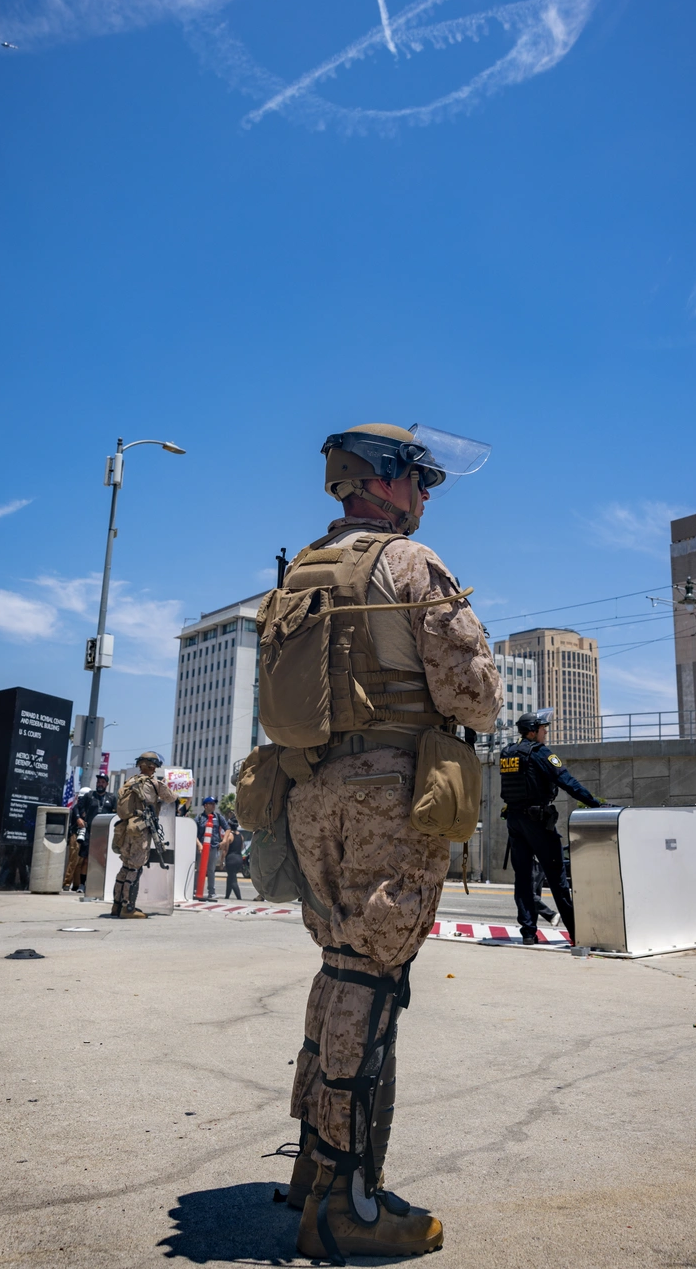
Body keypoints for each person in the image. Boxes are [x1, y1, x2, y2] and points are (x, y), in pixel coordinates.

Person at [270, 422, 502, 1261]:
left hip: (311, 793)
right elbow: (472, 689)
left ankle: (313, 1164)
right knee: (373, 981)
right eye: (423, 479)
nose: (429, 495)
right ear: (387, 479)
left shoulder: (301, 570)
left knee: (340, 965)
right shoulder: (410, 562)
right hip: (386, 796)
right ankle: (347, 1203)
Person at [499, 708, 601, 945]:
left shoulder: (508, 753)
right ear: (533, 732)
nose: (546, 732)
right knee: (557, 879)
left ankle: (528, 933)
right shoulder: (539, 753)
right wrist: (594, 804)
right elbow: (567, 781)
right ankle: (577, 934)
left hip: (515, 821)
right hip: (537, 822)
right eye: (543, 729)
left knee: (523, 879)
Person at [111, 751, 176, 918]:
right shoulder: (154, 784)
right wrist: (167, 785)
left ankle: (117, 905)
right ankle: (128, 908)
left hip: (126, 829)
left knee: (125, 867)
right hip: (140, 830)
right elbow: (171, 798)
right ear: (152, 766)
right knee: (135, 868)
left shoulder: (129, 781)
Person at [72, 772, 116, 891]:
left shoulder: (112, 798)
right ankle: (82, 885)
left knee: (102, 859)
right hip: (89, 832)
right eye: (98, 781)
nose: (99, 784)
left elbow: (116, 814)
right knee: (86, 859)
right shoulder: (89, 795)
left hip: (104, 833)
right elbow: (76, 807)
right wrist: (78, 818)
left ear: (107, 784)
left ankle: (100, 884)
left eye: (102, 782)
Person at [196, 795, 226, 899]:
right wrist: (199, 844)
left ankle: (211, 892)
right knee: (199, 869)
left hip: (213, 847)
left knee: (211, 870)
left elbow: (227, 828)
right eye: (211, 804)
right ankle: (196, 890)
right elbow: (193, 832)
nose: (214, 806)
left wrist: (224, 840)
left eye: (214, 804)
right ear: (205, 806)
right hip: (202, 848)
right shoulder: (199, 818)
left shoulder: (217, 817)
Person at [223, 819, 244, 900]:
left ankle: (239, 897)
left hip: (231, 859)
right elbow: (241, 847)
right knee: (230, 878)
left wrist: (221, 861)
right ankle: (227, 896)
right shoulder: (241, 836)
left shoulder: (229, 836)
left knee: (233, 880)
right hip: (239, 858)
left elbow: (225, 850)